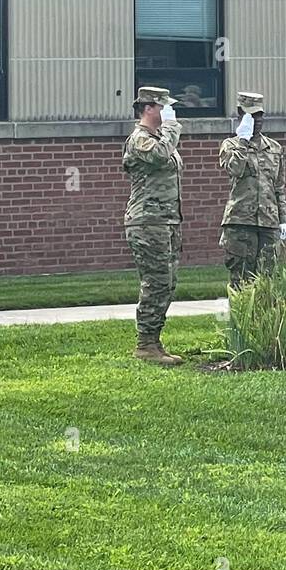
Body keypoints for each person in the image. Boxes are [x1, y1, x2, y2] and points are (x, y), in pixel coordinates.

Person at [122, 86, 184, 367]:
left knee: (167, 283)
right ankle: (145, 344)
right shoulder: (140, 139)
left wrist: (168, 130)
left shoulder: (160, 138)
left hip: (166, 220)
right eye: (163, 107)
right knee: (155, 281)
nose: (168, 112)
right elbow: (159, 156)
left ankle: (154, 341)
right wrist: (171, 127)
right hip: (147, 221)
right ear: (148, 108)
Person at [217, 91, 286, 284]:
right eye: (252, 115)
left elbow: (279, 188)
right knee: (241, 281)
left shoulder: (274, 148)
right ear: (241, 114)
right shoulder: (230, 145)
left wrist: (283, 220)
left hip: (268, 223)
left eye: (260, 115)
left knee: (268, 281)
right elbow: (234, 169)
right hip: (240, 222)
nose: (257, 120)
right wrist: (243, 140)